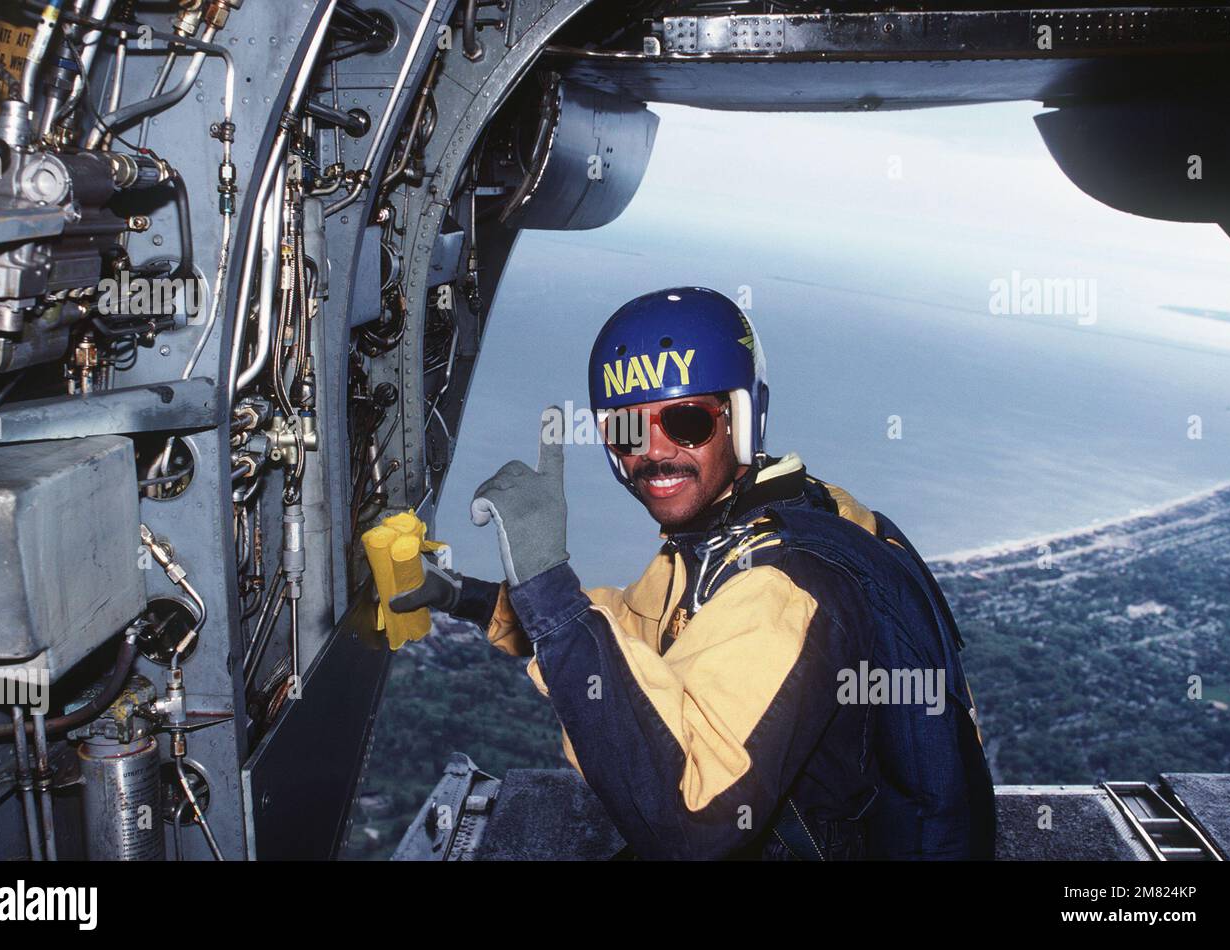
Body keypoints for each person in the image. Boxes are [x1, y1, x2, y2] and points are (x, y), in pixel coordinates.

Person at [392, 286, 995, 860]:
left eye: (687, 422)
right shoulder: (772, 518)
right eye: (628, 429)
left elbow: (686, 826)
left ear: (741, 419)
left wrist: (546, 582)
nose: (655, 452)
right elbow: (629, 626)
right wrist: (463, 597)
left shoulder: (779, 587)